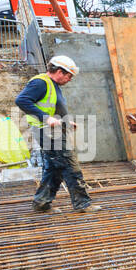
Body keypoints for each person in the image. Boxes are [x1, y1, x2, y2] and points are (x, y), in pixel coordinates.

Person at [16, 55, 97, 213]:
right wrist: (46, 119)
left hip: (53, 132)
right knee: (70, 167)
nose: (70, 79)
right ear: (59, 72)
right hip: (49, 134)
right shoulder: (40, 83)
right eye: (69, 76)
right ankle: (82, 204)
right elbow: (21, 100)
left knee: (54, 170)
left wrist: (65, 122)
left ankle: (41, 204)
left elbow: (52, 108)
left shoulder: (52, 85)